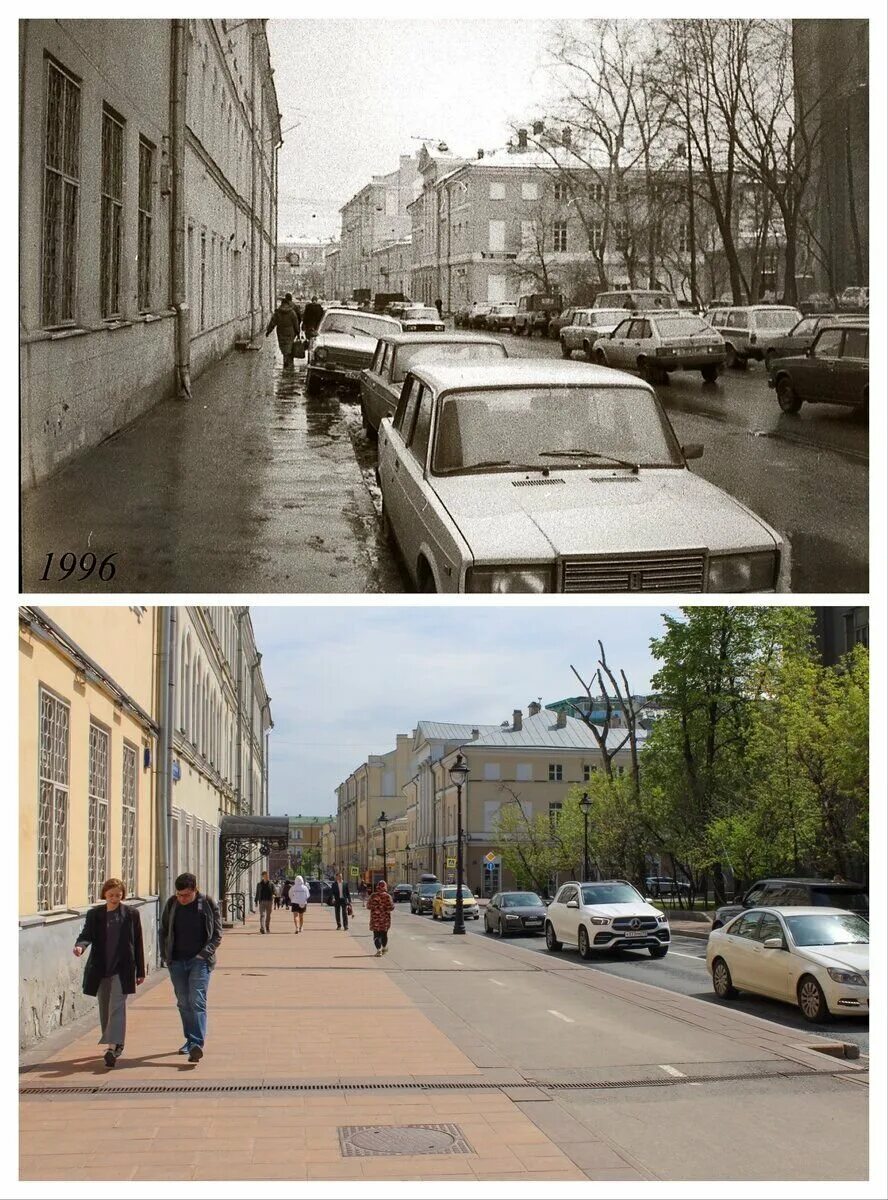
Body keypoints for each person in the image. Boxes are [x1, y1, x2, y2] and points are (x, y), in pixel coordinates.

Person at [73, 877, 146, 1068]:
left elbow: (137, 942)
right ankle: (115, 1042)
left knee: (117, 1006)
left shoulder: (131, 914)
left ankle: (112, 1048)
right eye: (111, 894)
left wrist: (140, 970)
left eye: (118, 895)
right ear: (104, 894)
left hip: (122, 969)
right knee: (105, 1008)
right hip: (100, 968)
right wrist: (80, 947)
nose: (115, 898)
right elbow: (86, 935)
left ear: (123, 895)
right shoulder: (95, 915)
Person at [160, 872, 223, 1063]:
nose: (182, 898)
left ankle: (196, 1044)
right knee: (183, 1001)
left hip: (200, 961)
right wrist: (166, 956)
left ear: (195, 889)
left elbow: (217, 934)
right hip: (177, 961)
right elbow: (163, 931)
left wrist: (203, 954)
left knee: (197, 999)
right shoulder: (172, 904)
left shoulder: (207, 904)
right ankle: (189, 1040)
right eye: (179, 895)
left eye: (186, 895)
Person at [265, 293, 302, 368]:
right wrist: (298, 332)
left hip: (281, 331)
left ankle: (285, 359)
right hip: (290, 331)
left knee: (283, 345)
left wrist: (268, 331)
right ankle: (289, 360)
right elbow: (296, 322)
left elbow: (273, 322)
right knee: (289, 344)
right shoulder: (292, 312)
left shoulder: (278, 312)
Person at [367, 879, 395, 957]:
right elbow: (391, 907)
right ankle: (384, 947)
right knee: (384, 934)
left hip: (375, 919)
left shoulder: (373, 896)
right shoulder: (388, 896)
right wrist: (385, 908)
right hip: (385, 919)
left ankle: (378, 950)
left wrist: (375, 907)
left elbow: (368, 906)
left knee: (376, 935)